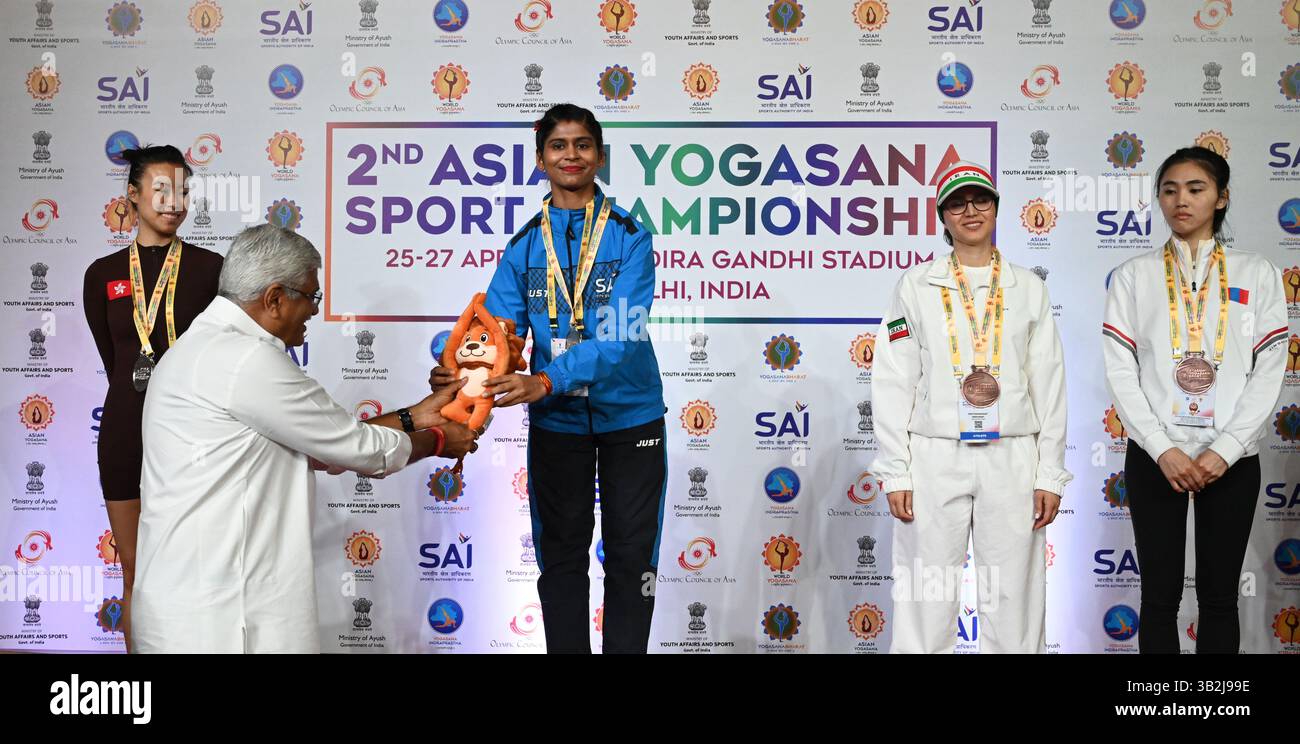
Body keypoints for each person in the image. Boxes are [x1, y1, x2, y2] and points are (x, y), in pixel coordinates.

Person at [132, 224, 477, 653]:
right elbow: (359, 449)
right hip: (226, 619)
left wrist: (414, 417)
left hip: (194, 608)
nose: (313, 311)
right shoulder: (246, 361)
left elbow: (322, 441)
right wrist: (440, 440)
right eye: (310, 297)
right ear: (275, 298)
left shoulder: (197, 349)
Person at [433, 103, 666, 653]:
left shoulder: (632, 238)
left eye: (583, 145)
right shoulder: (522, 247)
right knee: (560, 556)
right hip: (558, 421)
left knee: (632, 558)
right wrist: (463, 373)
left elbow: (620, 336)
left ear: (600, 157)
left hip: (631, 416)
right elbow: (499, 333)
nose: (571, 155)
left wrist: (546, 380)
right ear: (541, 160)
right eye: (559, 146)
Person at [872, 161, 1071, 654]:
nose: (971, 211)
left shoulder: (1029, 286)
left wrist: (1050, 472)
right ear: (943, 217)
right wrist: (896, 471)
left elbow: (1048, 379)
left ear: (997, 207)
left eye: (980, 199)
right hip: (935, 454)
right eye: (957, 203)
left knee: (1015, 597)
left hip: (1013, 453)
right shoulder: (915, 284)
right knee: (926, 594)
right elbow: (894, 379)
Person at [1103, 146, 1287, 653]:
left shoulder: (1258, 273)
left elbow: (1269, 370)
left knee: (1220, 598)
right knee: (1158, 598)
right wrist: (1162, 448)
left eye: (1195, 188)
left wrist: (1225, 449)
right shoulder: (1134, 276)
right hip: (1155, 457)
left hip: (1231, 459)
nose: (1180, 200)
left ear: (1222, 197)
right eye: (1169, 189)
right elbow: (1121, 371)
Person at [82, 145, 223, 652]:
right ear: (133, 197)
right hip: (125, 433)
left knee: (195, 576)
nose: (173, 202)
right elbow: (115, 362)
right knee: (136, 576)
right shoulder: (102, 274)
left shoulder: (213, 270)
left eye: (183, 190)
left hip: (193, 440)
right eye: (161, 190)